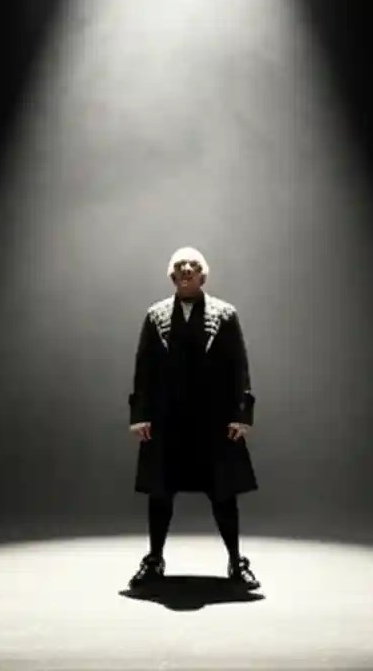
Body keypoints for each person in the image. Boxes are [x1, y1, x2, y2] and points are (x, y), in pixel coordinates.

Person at [127, 246, 260, 590]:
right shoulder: (156, 315)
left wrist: (241, 415)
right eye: (181, 265)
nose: (187, 268)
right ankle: (154, 560)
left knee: (224, 493)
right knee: (160, 492)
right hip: (166, 418)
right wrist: (140, 415)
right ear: (172, 275)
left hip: (214, 418)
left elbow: (239, 366)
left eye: (194, 265)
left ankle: (236, 561)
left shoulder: (225, 314)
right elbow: (144, 368)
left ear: (203, 275)